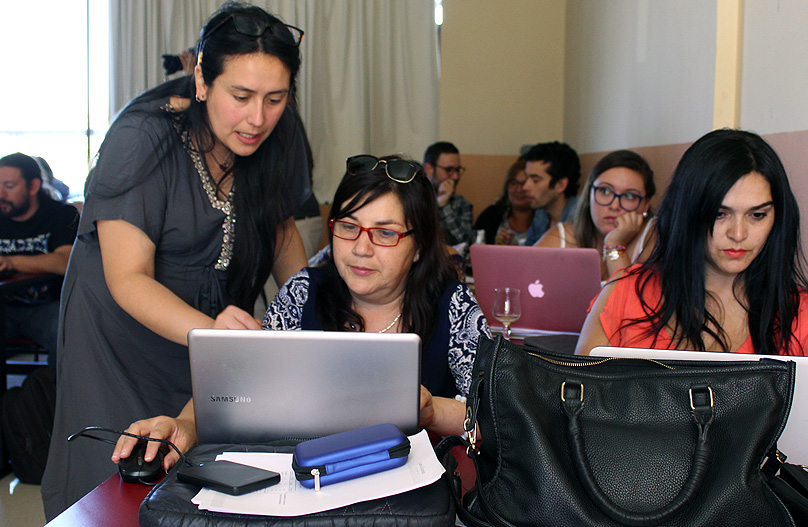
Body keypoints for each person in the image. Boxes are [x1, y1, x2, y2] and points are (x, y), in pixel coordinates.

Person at [42, 3, 311, 519]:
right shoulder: (143, 137)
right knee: (119, 479)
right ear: (202, 80)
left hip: (209, 333)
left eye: (275, 99)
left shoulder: (279, 133)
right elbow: (128, 278)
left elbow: (280, 233)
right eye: (241, 97)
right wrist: (214, 337)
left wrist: (307, 308)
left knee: (206, 480)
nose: (258, 118)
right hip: (120, 339)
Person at [113, 154, 491, 469]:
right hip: (305, 483)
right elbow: (240, 384)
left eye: (385, 233)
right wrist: (185, 424)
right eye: (348, 227)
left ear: (420, 245)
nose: (361, 249)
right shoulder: (303, 293)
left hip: (413, 493)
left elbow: (496, 414)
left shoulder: (454, 307)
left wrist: (431, 411)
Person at [576, 129, 808, 440]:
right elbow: (577, 416)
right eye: (720, 214)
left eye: (757, 215)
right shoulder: (625, 294)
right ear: (688, 212)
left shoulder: (805, 315)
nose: (738, 234)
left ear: (777, 218)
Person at [0, 153, 79, 365]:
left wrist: (11, 262)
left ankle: (48, 386)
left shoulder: (61, 214)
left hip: (50, 307)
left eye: (9, 186)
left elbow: (66, 262)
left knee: (72, 333)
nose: (1, 194)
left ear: (34, 186)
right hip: (4, 308)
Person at [536, 150, 657, 280]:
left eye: (629, 196)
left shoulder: (653, 238)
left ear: (646, 204)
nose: (614, 206)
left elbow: (625, 293)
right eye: (605, 191)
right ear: (589, 194)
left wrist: (615, 246)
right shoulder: (563, 236)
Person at [520, 141, 581, 245]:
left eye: (535, 180)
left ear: (560, 185)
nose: (525, 187)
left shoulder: (580, 220)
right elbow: (529, 251)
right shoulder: (541, 213)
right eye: (527, 178)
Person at [473, 157, 533, 245]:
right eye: (514, 183)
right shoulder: (491, 215)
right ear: (507, 187)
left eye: (524, 183)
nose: (519, 190)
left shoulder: (544, 218)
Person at [423, 141, 472, 247]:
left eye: (457, 170)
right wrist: (437, 206)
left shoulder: (462, 204)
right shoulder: (414, 199)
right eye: (449, 170)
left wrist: (444, 206)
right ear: (429, 169)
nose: (455, 176)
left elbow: (464, 243)